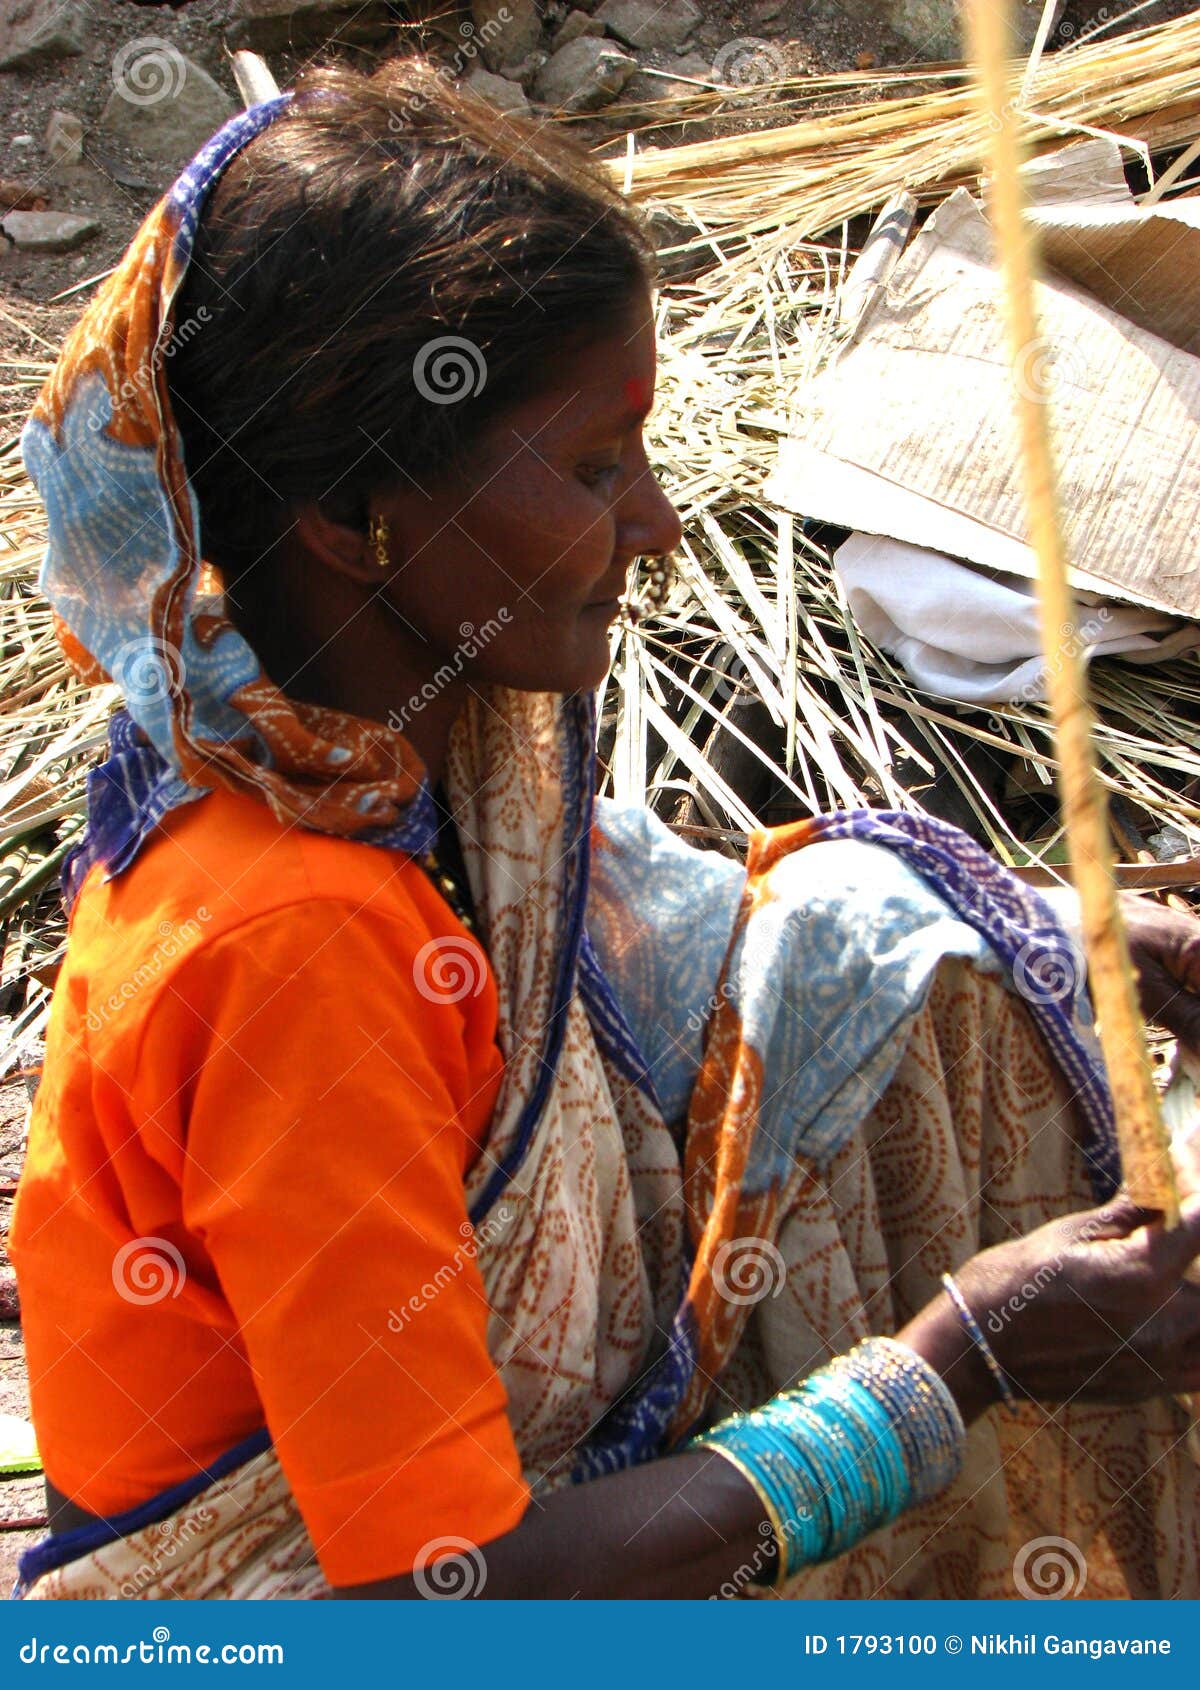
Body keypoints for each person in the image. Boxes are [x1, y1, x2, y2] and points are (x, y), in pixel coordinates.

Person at [10, 59, 1200, 1602]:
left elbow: (680, 924)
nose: (658, 522)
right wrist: (956, 1358)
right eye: (590, 467)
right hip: (297, 1606)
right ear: (352, 516)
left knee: (889, 943)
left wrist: (1075, 936)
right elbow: (448, 1590)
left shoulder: (332, 737)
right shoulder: (293, 945)